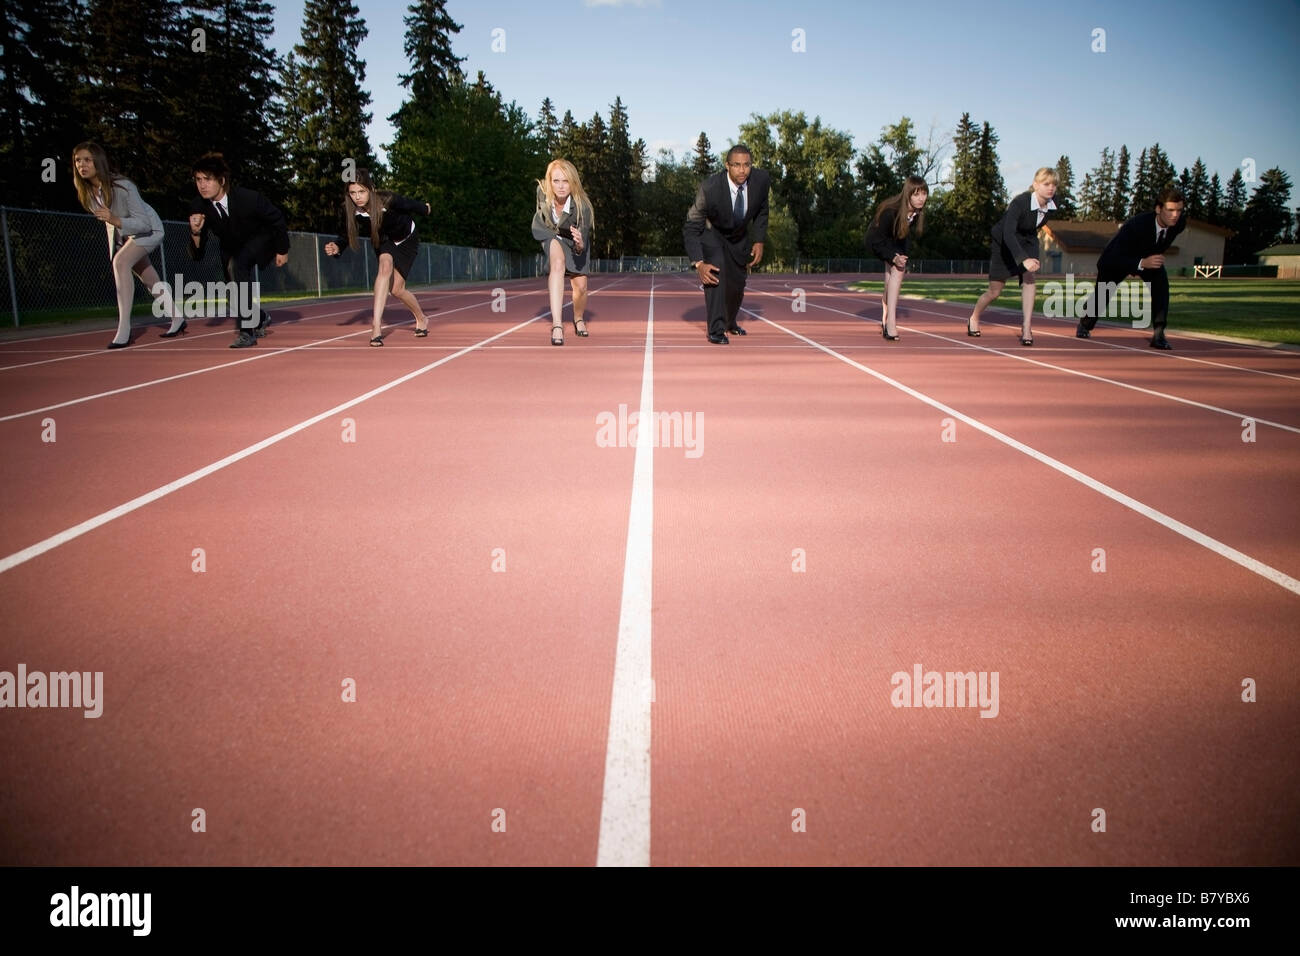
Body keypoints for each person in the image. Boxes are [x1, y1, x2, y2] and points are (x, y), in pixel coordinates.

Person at [71, 142, 181, 348]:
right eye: (78, 161)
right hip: (128, 235)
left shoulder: (123, 186)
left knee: (120, 263)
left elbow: (143, 223)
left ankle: (124, 329)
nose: (81, 165)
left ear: (98, 161)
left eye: (87, 160)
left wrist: (115, 220)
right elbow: (109, 223)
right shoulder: (87, 192)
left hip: (150, 229)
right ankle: (177, 318)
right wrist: (118, 241)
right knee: (148, 278)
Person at [187, 152, 289, 348]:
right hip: (231, 245)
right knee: (232, 294)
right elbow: (198, 254)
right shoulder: (198, 206)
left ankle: (246, 333)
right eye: (198, 180)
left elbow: (277, 218)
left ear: (222, 180)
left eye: (207, 179)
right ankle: (260, 317)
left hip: (260, 238)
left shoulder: (248, 198)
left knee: (238, 265)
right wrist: (196, 232)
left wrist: (282, 249)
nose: (202, 185)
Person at [324, 173, 432, 347]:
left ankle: (421, 318)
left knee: (397, 290)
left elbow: (408, 204)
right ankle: (376, 326)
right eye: (353, 193)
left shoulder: (387, 199)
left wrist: (425, 209)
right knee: (384, 266)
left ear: (371, 189)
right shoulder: (351, 210)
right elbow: (346, 233)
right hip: (383, 240)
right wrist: (338, 246)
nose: (357, 197)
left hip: (406, 238)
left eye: (361, 191)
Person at [1079, 186, 1186, 349]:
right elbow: (1114, 256)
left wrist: (1149, 261)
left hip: (1149, 259)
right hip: (1116, 260)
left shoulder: (1179, 224)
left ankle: (1159, 334)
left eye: (1179, 210)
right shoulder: (1136, 225)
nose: (1175, 215)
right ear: (1158, 209)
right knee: (1103, 294)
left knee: (1161, 287)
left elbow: (1160, 241)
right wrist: (1141, 263)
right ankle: (1085, 323)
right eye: (1170, 210)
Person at [683, 144, 770, 344]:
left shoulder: (761, 180)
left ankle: (730, 322)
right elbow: (691, 227)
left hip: (739, 237)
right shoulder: (709, 188)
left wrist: (759, 239)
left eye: (747, 165)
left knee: (737, 286)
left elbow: (762, 210)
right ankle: (716, 329)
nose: (742, 170)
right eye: (736, 165)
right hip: (713, 233)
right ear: (727, 165)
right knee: (715, 272)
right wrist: (699, 263)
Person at [967, 167, 1059, 345]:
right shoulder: (1020, 202)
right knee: (995, 291)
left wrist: (1029, 255)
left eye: (1054, 185)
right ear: (1035, 185)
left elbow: (1035, 225)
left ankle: (1027, 327)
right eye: (1046, 184)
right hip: (1004, 241)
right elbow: (1008, 233)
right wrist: (1023, 258)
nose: (1051, 188)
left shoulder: (1054, 204)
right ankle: (974, 317)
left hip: (1028, 239)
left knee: (1029, 277)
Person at [530, 159, 594, 346]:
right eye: (556, 181)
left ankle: (578, 318)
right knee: (557, 263)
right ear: (549, 181)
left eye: (565, 181)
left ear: (573, 182)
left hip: (574, 240)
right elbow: (541, 214)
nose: (560, 186)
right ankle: (557, 325)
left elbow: (581, 245)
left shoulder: (583, 206)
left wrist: (579, 243)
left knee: (580, 286)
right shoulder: (542, 192)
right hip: (550, 233)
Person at [866, 175, 929, 341]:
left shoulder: (916, 212)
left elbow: (903, 237)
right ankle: (891, 324)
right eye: (916, 194)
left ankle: (886, 310)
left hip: (895, 240)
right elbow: (876, 241)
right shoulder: (890, 212)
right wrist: (893, 258)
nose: (921, 198)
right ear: (908, 194)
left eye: (924, 194)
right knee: (898, 270)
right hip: (877, 241)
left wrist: (902, 256)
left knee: (894, 276)